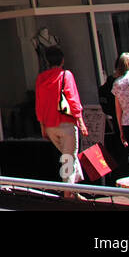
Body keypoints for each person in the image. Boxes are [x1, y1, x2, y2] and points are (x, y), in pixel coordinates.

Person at [34, 46, 90, 184]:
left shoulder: (41, 78)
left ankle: (75, 192)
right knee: (69, 159)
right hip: (66, 123)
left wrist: (42, 126)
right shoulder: (66, 75)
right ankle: (68, 193)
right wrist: (81, 122)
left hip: (49, 125)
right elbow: (73, 99)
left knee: (69, 157)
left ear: (47, 61)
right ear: (62, 60)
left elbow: (39, 103)